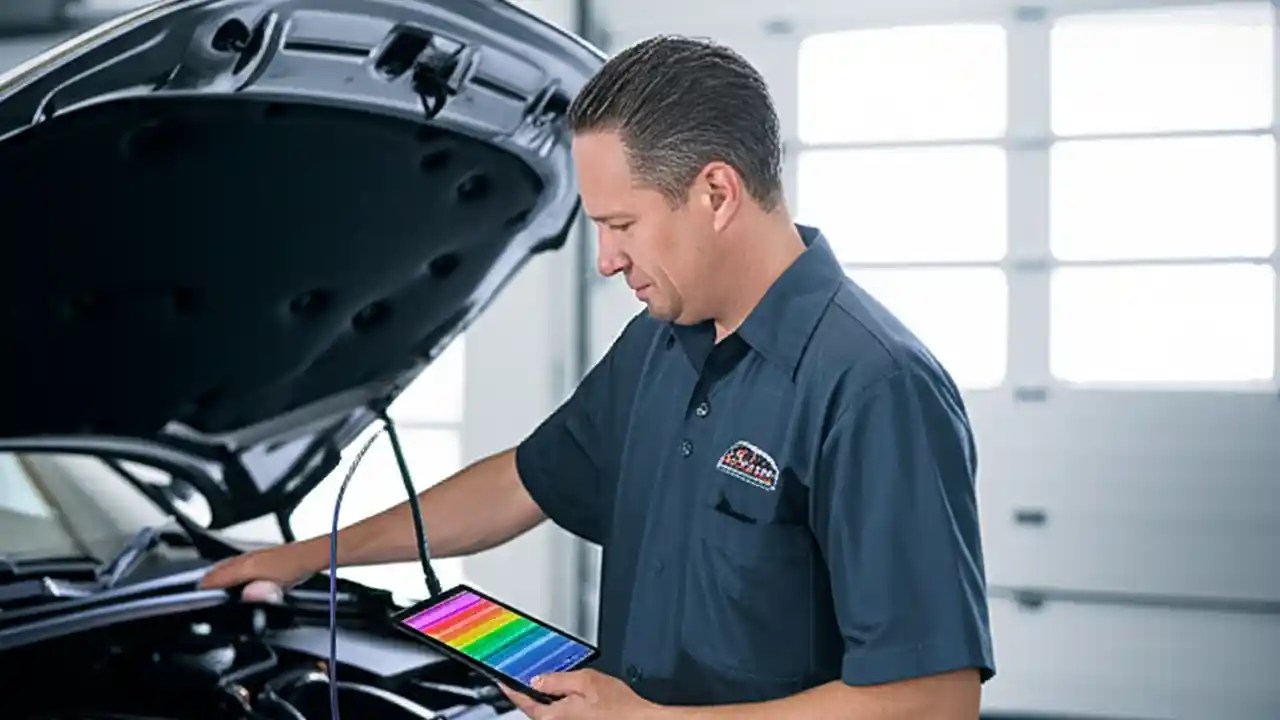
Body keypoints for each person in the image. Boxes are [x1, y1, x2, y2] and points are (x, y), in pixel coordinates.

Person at [201, 34, 995, 719]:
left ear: (716, 192)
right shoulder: (657, 345)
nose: (608, 260)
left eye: (621, 224)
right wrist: (312, 555)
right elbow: (521, 483)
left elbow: (932, 700)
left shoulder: (876, 385)